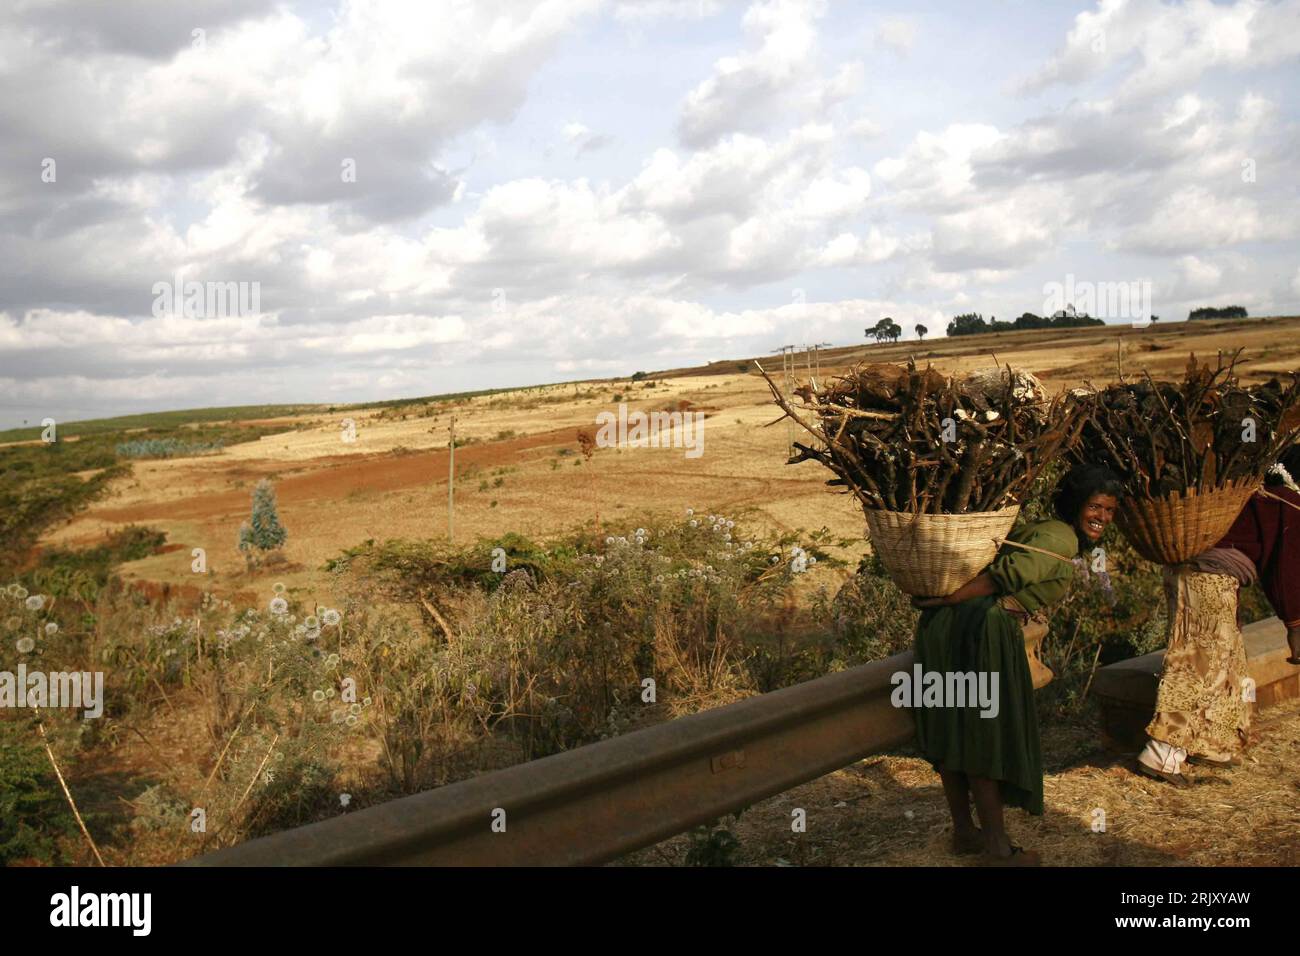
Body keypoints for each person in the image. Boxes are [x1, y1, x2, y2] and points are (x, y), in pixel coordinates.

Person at [910, 464, 1123, 865]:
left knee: (954, 731)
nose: (1103, 517)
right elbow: (1003, 579)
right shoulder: (1059, 537)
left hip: (954, 630)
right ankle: (997, 848)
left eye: (1110, 510)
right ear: (1077, 504)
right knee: (983, 736)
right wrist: (948, 599)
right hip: (980, 633)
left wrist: (945, 606)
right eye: (1096, 506)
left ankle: (965, 834)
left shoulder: (1051, 531)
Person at [1138, 445, 1300, 785]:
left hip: (1195, 572)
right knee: (1198, 661)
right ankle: (1162, 752)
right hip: (1208, 577)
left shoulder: (1258, 493)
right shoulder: (1288, 503)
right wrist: (1295, 624)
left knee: (1227, 661)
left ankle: (1214, 743)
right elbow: (1284, 571)